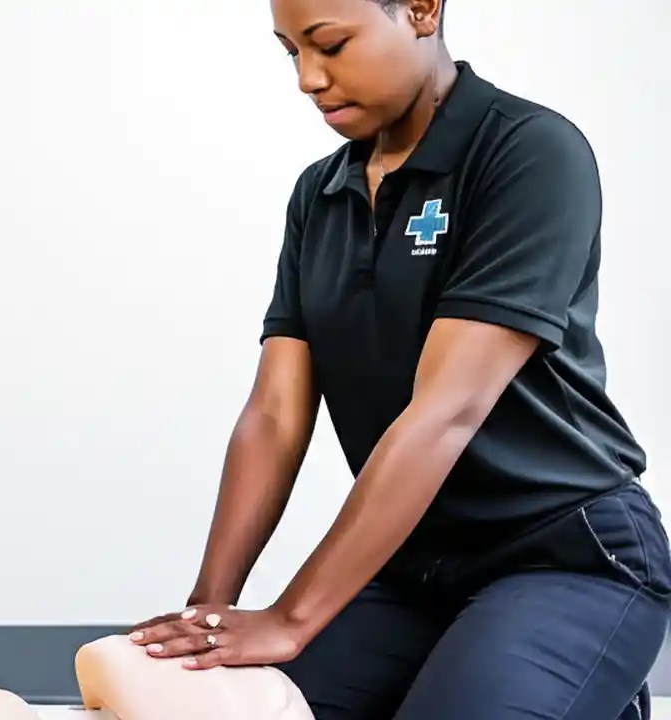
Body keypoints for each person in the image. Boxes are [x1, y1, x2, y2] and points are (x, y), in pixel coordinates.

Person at [127, 1, 671, 718]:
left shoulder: (528, 152)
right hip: (410, 570)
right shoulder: (319, 195)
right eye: (291, 52)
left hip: (563, 553)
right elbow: (275, 414)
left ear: (420, 8)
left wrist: (291, 619)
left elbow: (445, 412)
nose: (308, 79)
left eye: (331, 44)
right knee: (239, 709)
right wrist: (211, 611)